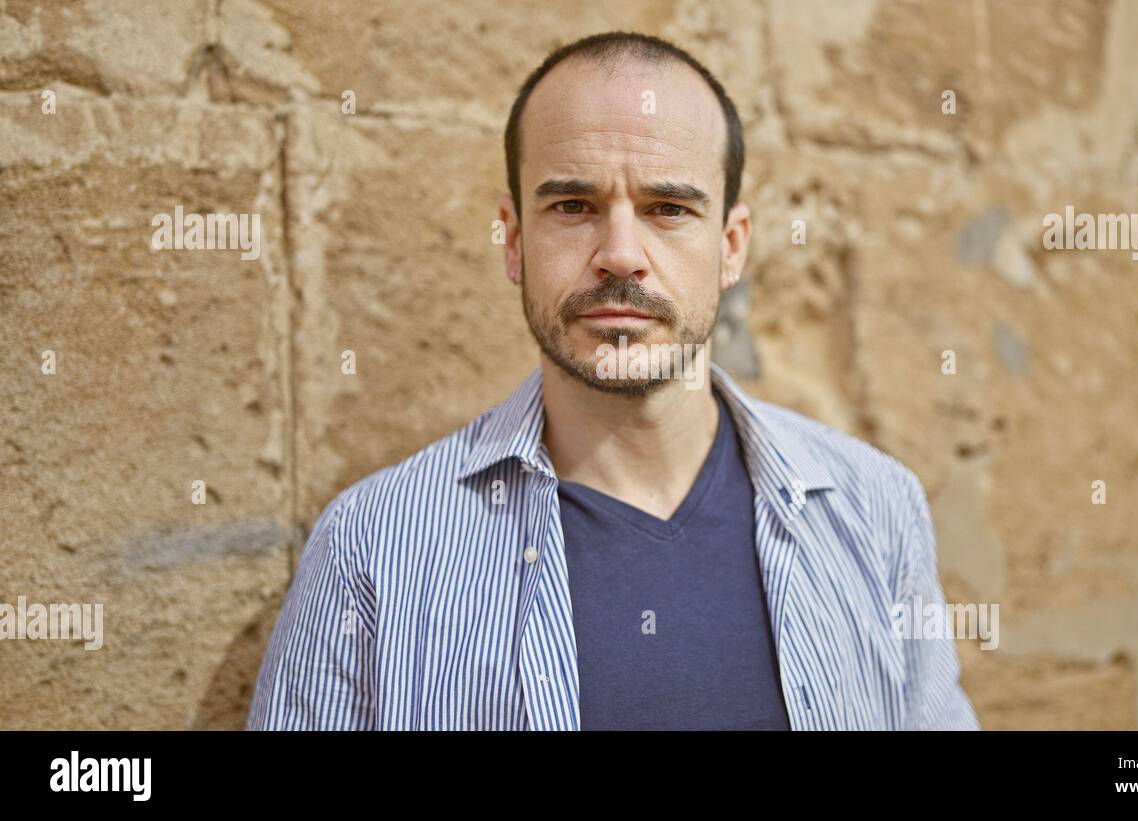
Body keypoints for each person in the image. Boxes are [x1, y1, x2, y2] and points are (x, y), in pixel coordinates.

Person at [247, 30, 979, 731]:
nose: (621, 255)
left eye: (668, 208)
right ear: (512, 239)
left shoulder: (874, 509)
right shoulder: (376, 549)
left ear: (730, 247)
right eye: (573, 206)